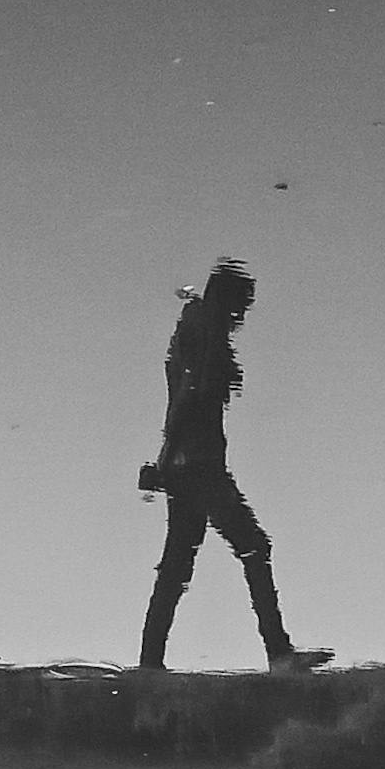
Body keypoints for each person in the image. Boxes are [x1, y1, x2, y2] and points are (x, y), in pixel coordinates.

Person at [137, 259, 334, 675]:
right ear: (227, 300)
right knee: (253, 546)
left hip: (189, 464)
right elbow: (188, 398)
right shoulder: (205, 336)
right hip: (199, 466)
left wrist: (165, 460)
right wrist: (167, 458)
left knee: (177, 565)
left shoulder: (194, 333)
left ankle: (150, 665)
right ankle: (278, 654)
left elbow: (182, 397)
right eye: (241, 305)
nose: (243, 315)